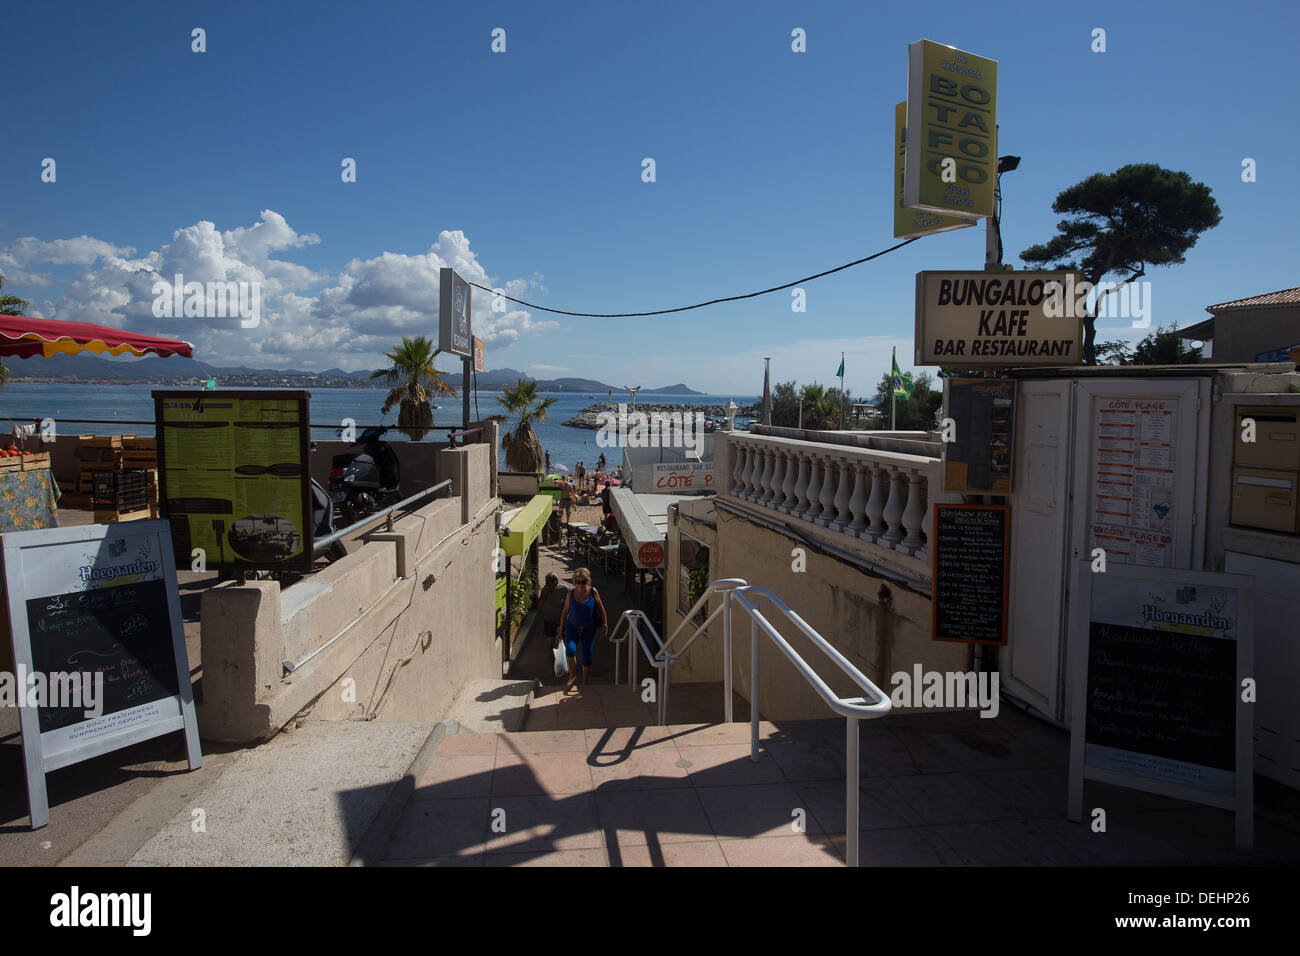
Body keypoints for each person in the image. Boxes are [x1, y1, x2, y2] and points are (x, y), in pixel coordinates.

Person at [557, 567, 607, 690]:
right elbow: (564, 612)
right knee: (570, 650)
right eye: (578, 582)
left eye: (583, 582)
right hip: (572, 627)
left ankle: (585, 682)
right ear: (574, 582)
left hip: (589, 629)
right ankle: (573, 676)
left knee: (586, 656)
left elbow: (601, 608)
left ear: (587, 581)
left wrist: (605, 625)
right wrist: (561, 629)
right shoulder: (570, 593)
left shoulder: (593, 592)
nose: (580, 584)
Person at [540, 572, 569, 645]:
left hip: (561, 621)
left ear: (556, 581)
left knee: (561, 643)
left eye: (552, 581)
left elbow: (570, 604)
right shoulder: (545, 590)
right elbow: (539, 605)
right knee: (550, 643)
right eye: (548, 582)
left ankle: (561, 656)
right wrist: (544, 593)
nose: (550, 584)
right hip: (549, 621)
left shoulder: (565, 589)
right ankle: (552, 656)